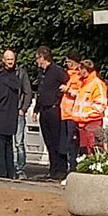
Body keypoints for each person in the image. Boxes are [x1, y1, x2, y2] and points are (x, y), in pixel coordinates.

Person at [32, 47, 69, 180]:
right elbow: (41, 91)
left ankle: (61, 169)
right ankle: (53, 169)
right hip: (44, 109)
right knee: (49, 140)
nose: (37, 61)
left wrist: (58, 96)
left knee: (57, 139)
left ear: (42, 58)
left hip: (54, 108)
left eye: (37, 58)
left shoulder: (57, 71)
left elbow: (68, 82)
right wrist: (36, 109)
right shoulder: (42, 72)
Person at [2, 49, 33, 179]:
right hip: (4, 113)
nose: (10, 62)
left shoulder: (21, 73)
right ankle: (8, 169)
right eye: (8, 59)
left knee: (18, 143)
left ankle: (20, 170)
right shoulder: (0, 73)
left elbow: (28, 92)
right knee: (6, 142)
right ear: (3, 60)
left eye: (12, 59)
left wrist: (23, 108)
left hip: (18, 112)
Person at [71, 59, 108, 156]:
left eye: (79, 69)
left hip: (92, 122)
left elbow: (100, 105)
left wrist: (86, 115)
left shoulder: (97, 84)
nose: (77, 72)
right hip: (82, 124)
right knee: (85, 152)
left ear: (85, 70)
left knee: (95, 150)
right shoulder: (83, 84)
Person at [59, 52, 83, 174]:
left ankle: (73, 169)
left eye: (68, 62)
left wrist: (67, 89)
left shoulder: (79, 76)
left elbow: (80, 94)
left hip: (73, 115)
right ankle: (68, 168)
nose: (67, 64)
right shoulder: (67, 75)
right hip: (65, 114)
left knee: (73, 144)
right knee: (66, 144)